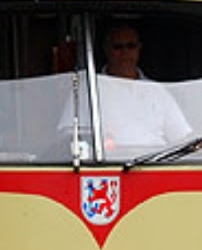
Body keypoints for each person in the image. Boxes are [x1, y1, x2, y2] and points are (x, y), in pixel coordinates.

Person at [62, 21, 193, 156]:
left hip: (154, 166)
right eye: (117, 47)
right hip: (107, 166)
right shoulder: (87, 89)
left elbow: (181, 137)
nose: (125, 52)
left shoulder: (157, 91)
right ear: (106, 49)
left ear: (139, 48)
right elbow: (68, 136)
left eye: (131, 46)